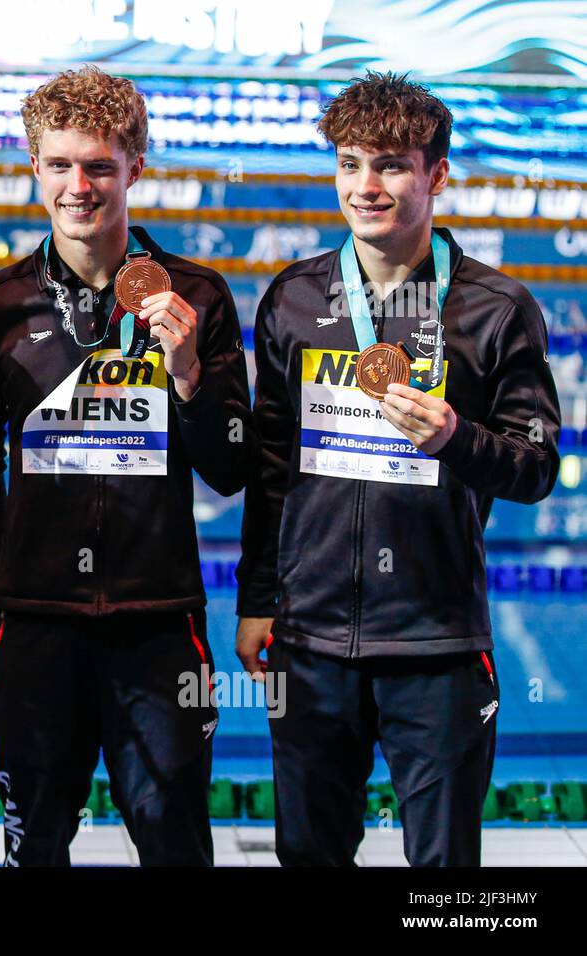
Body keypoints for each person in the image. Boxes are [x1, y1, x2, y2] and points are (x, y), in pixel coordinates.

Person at [235, 72, 561, 866]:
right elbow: (273, 465)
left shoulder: (493, 309)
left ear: (436, 175)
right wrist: (257, 600)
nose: (365, 186)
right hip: (310, 638)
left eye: (389, 165)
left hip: (437, 642)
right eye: (349, 163)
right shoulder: (294, 297)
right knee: (308, 854)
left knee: (445, 870)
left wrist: (457, 436)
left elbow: (538, 467)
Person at [0, 66, 253, 866]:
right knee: (35, 843)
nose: (77, 185)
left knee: (174, 842)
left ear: (135, 170)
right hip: (34, 623)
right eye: (59, 164)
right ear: (35, 168)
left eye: (99, 166)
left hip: (158, 625)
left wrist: (189, 370)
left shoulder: (199, 298)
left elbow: (230, 466)